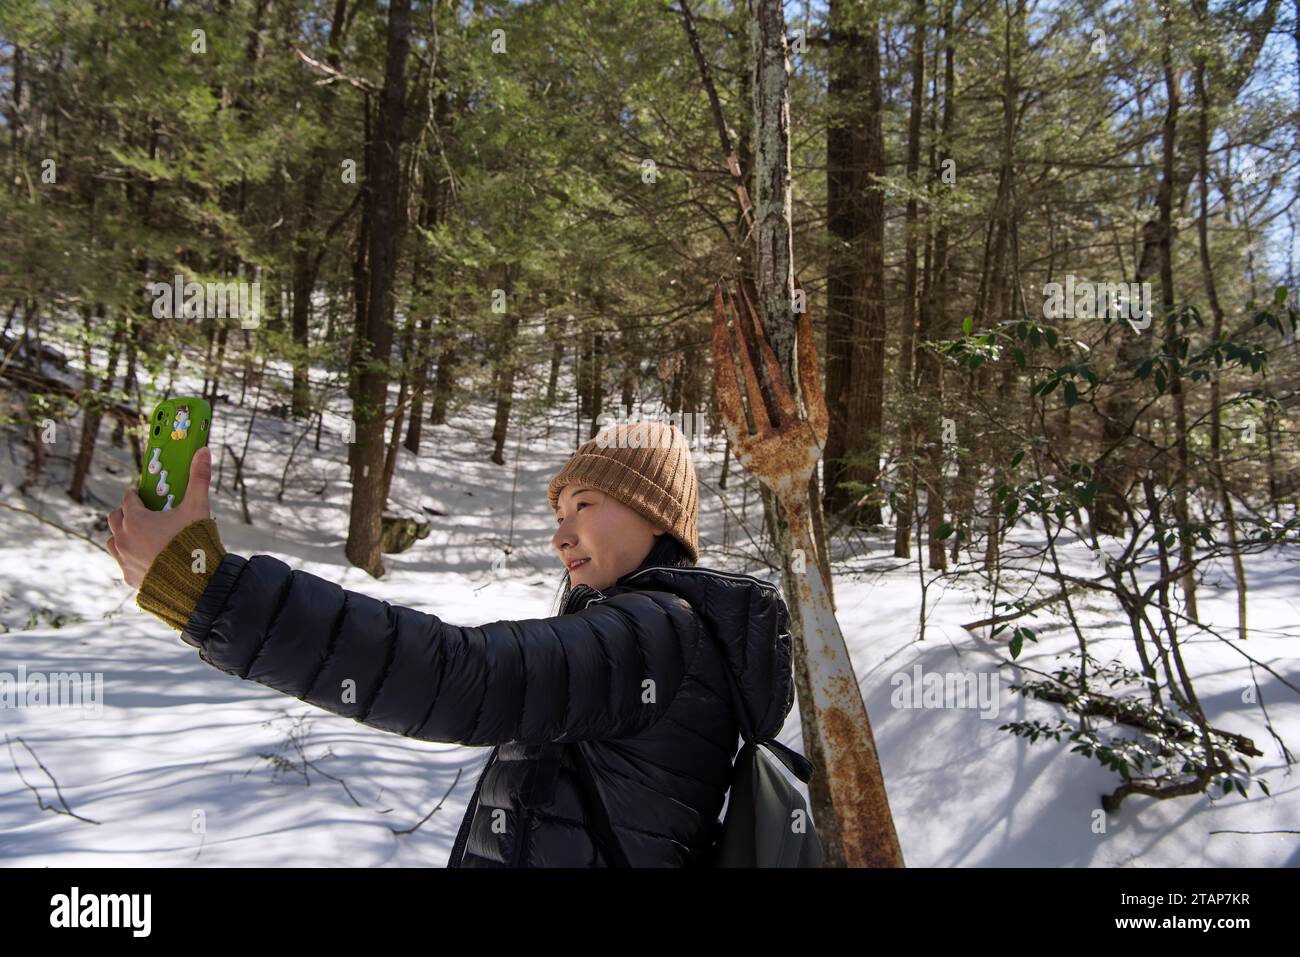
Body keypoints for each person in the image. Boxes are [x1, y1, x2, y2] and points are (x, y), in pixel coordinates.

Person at [107, 419, 795, 867]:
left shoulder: (656, 632)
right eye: (557, 513)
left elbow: (462, 675)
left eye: (584, 504)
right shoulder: (649, 634)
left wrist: (214, 594)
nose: (560, 533)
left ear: (655, 515)